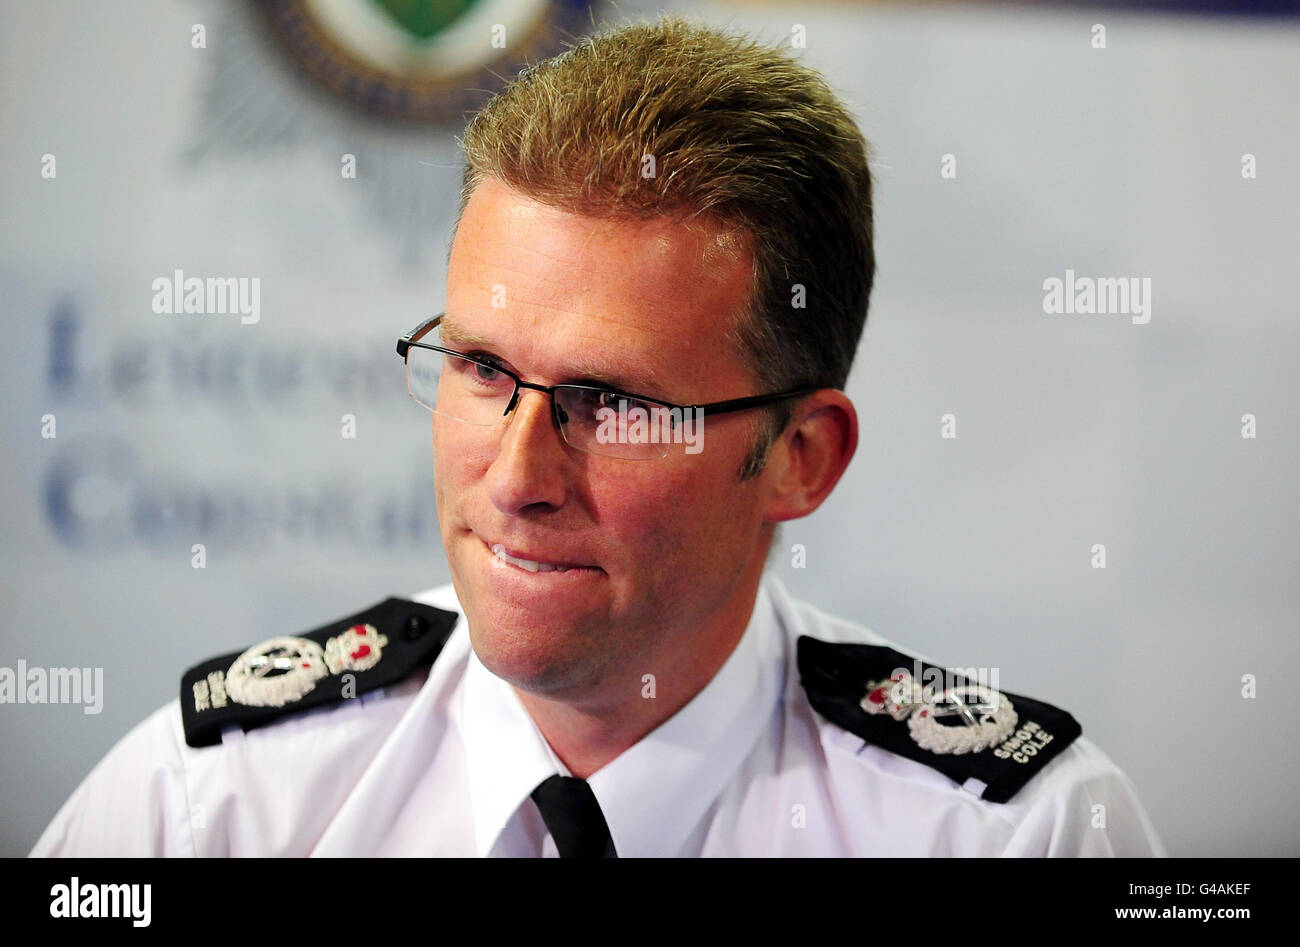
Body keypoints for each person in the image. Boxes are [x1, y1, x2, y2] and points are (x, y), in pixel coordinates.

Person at [31, 15, 1165, 858]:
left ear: (799, 456)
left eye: (609, 403)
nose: (518, 475)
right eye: (482, 369)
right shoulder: (209, 807)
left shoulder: (1017, 835)